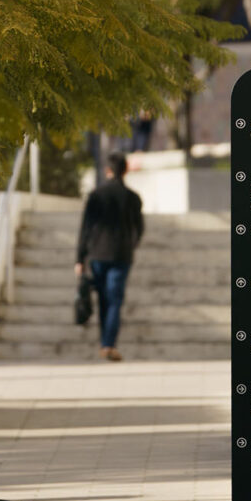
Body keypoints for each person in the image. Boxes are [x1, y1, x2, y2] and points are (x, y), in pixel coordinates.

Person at [75, 151, 145, 361]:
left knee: (105, 299)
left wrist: (80, 257)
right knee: (114, 299)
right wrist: (132, 245)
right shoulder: (132, 198)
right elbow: (139, 228)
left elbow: (85, 228)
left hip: (97, 254)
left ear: (108, 171)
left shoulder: (96, 195)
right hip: (122, 254)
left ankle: (105, 343)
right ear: (125, 170)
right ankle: (108, 344)